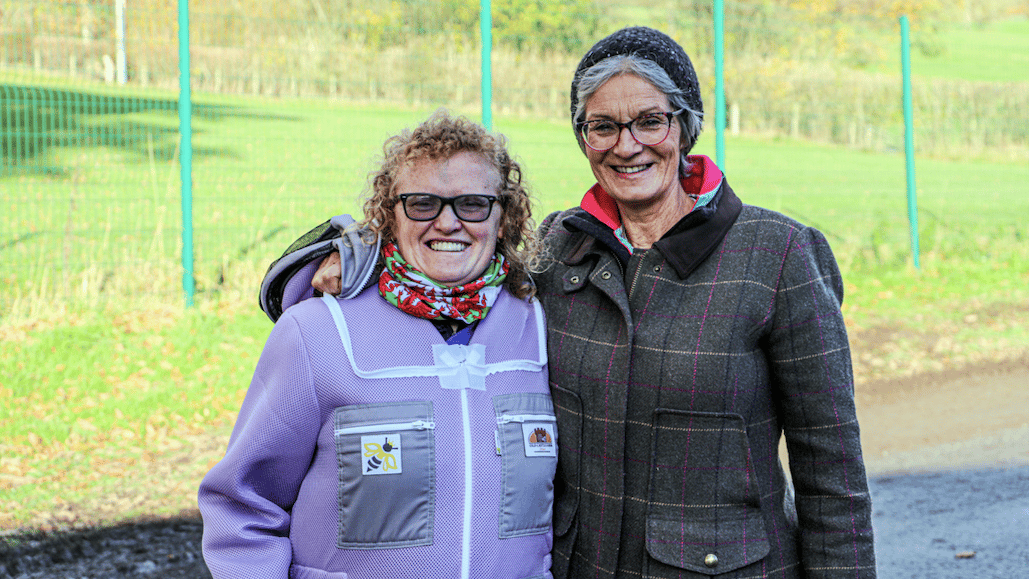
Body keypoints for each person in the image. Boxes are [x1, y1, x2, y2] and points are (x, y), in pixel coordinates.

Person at [261, 27, 877, 579]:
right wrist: (355, 253)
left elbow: (833, 475)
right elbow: (453, 244)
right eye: (601, 125)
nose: (626, 145)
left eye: (649, 121)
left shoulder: (778, 256)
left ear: (685, 125)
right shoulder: (561, 250)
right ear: (583, 137)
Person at [199, 110, 558, 579]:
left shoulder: (539, 325)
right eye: (422, 204)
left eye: (472, 204)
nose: (448, 223)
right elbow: (243, 506)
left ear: (504, 216)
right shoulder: (317, 333)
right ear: (389, 217)